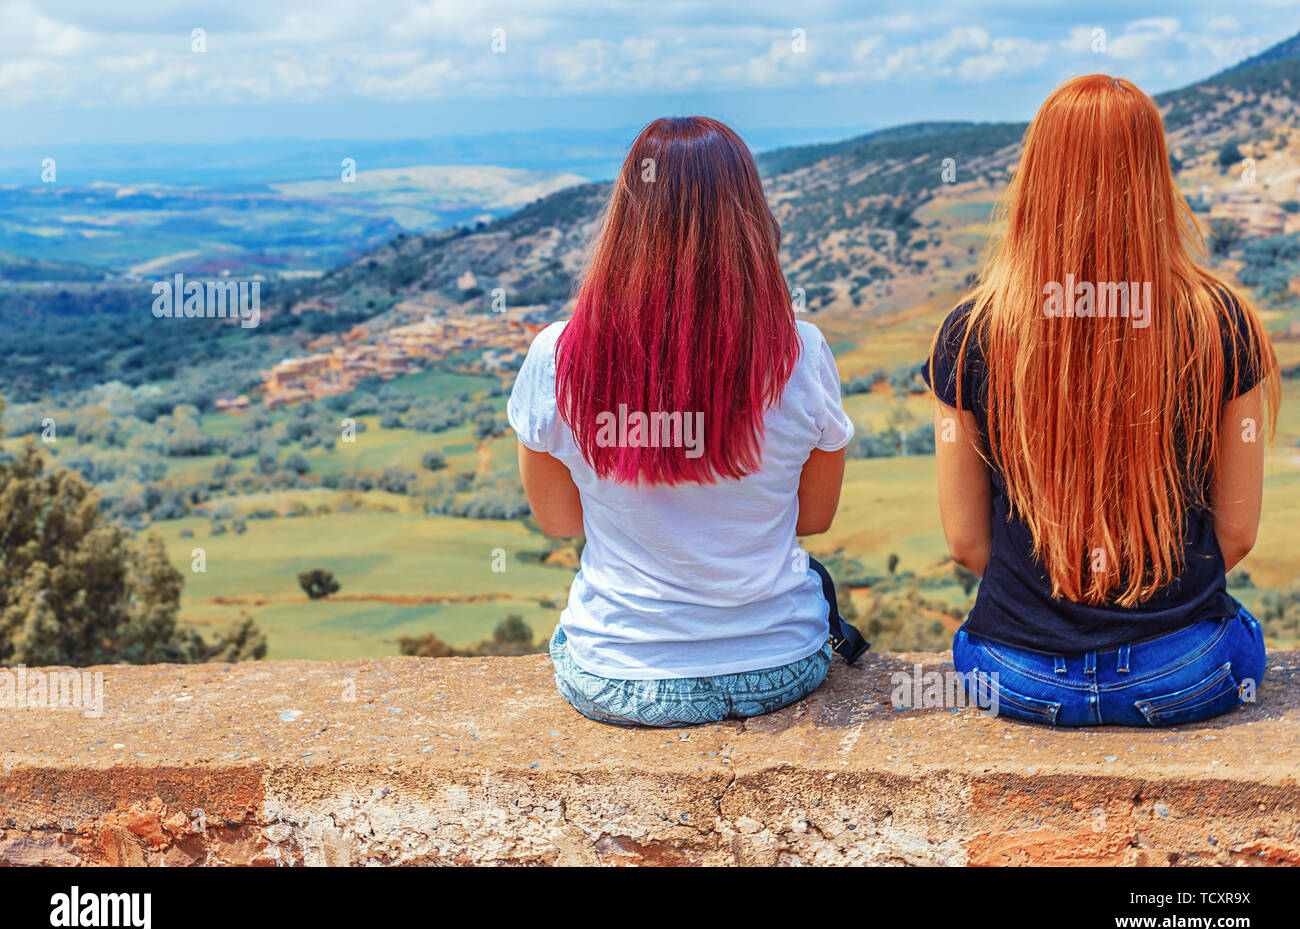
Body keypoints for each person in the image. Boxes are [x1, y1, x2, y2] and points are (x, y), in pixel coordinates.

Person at [926, 75, 1280, 727]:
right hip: (1189, 670)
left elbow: (967, 543)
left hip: (1016, 672)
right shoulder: (1222, 323)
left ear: (1035, 177)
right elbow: (1237, 534)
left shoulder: (973, 331)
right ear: (1152, 175)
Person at [508, 116, 855, 728]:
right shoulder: (802, 352)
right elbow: (814, 518)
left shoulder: (557, 357)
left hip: (619, 672)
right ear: (752, 217)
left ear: (624, 218)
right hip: (778, 662)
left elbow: (559, 522)